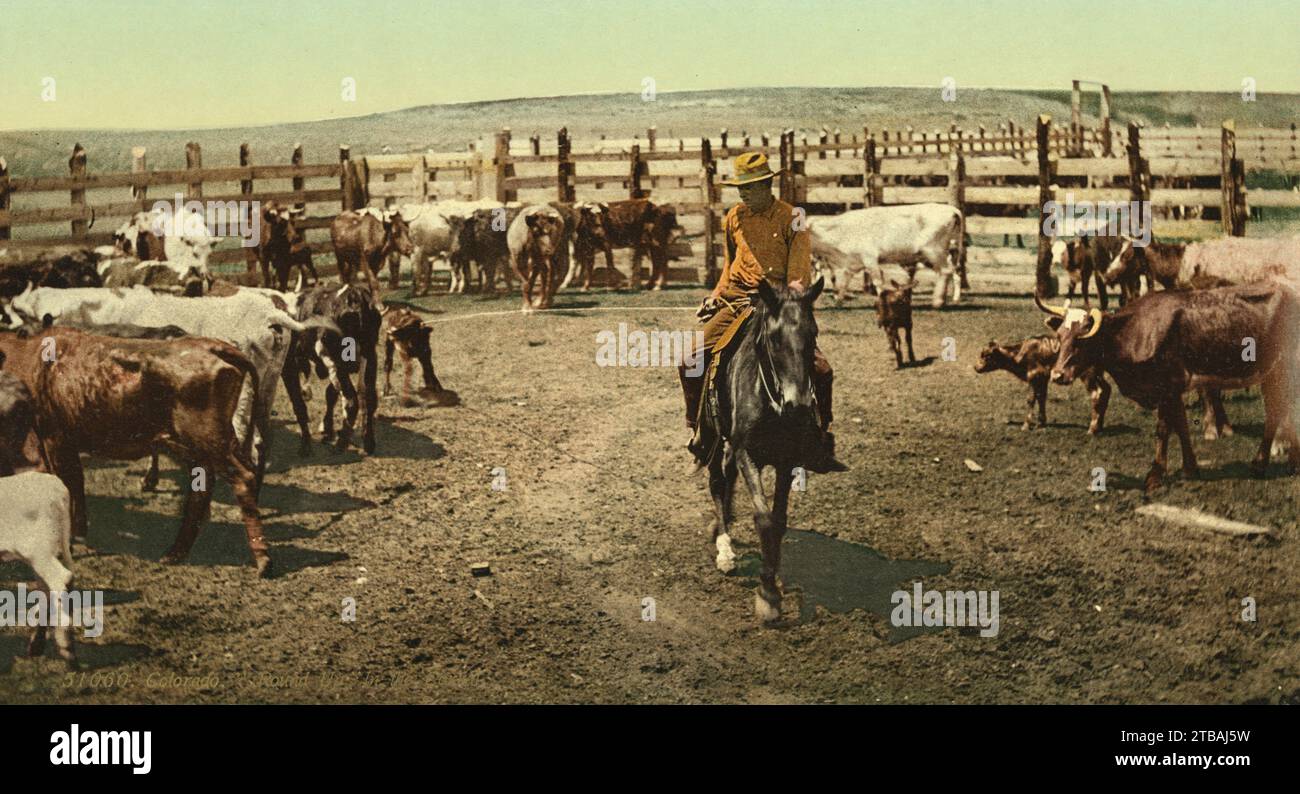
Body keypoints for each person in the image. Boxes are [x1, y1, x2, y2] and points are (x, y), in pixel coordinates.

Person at [678, 151, 845, 473]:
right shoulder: (734, 217)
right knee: (691, 359)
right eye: (740, 187)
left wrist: (789, 301)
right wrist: (714, 296)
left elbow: (799, 272)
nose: (743, 193)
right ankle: (700, 435)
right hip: (736, 301)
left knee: (821, 369)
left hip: (779, 303)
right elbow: (730, 265)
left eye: (750, 187)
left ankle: (819, 437)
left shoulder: (792, 215)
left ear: (767, 184)